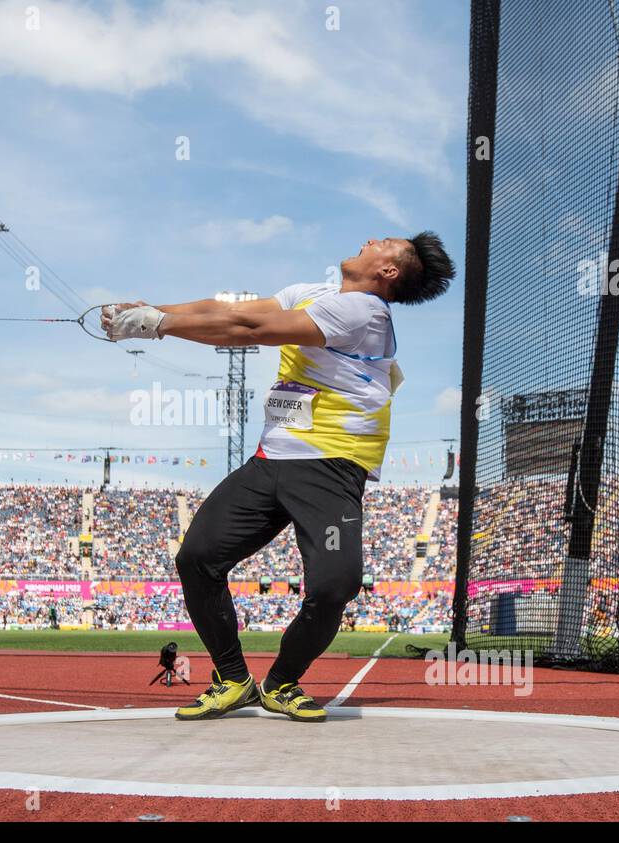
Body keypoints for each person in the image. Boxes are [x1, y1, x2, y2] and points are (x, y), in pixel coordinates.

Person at [102, 235, 454, 721]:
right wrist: (150, 309)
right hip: (271, 461)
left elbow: (249, 328)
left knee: (336, 585)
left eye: (385, 242)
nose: (370, 239)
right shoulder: (311, 292)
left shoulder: (365, 313)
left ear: (389, 272)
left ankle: (282, 683)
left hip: (330, 468)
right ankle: (232, 679)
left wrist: (160, 326)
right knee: (197, 558)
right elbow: (225, 307)